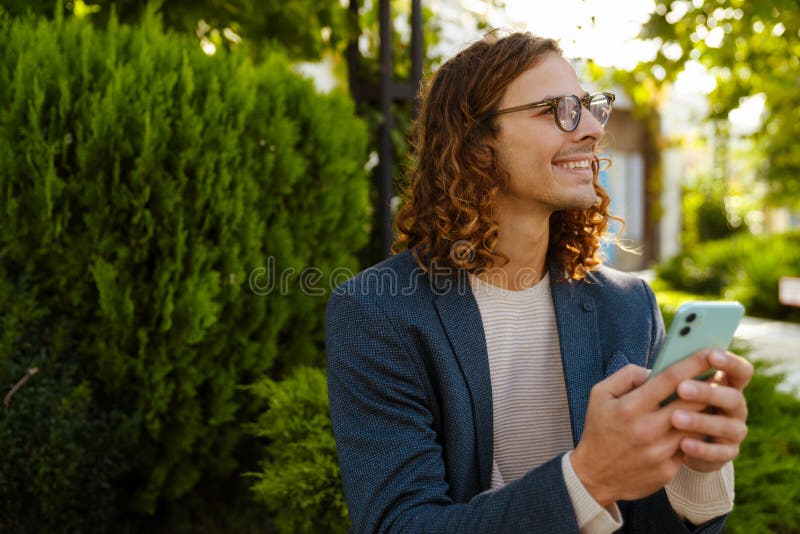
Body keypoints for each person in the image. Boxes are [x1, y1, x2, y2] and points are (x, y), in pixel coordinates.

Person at [325, 31, 752, 533]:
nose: (592, 129)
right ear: (476, 142)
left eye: (589, 107)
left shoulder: (627, 304)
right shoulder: (377, 312)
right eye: (557, 110)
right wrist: (587, 478)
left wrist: (697, 469)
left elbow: (647, 523)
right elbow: (400, 525)